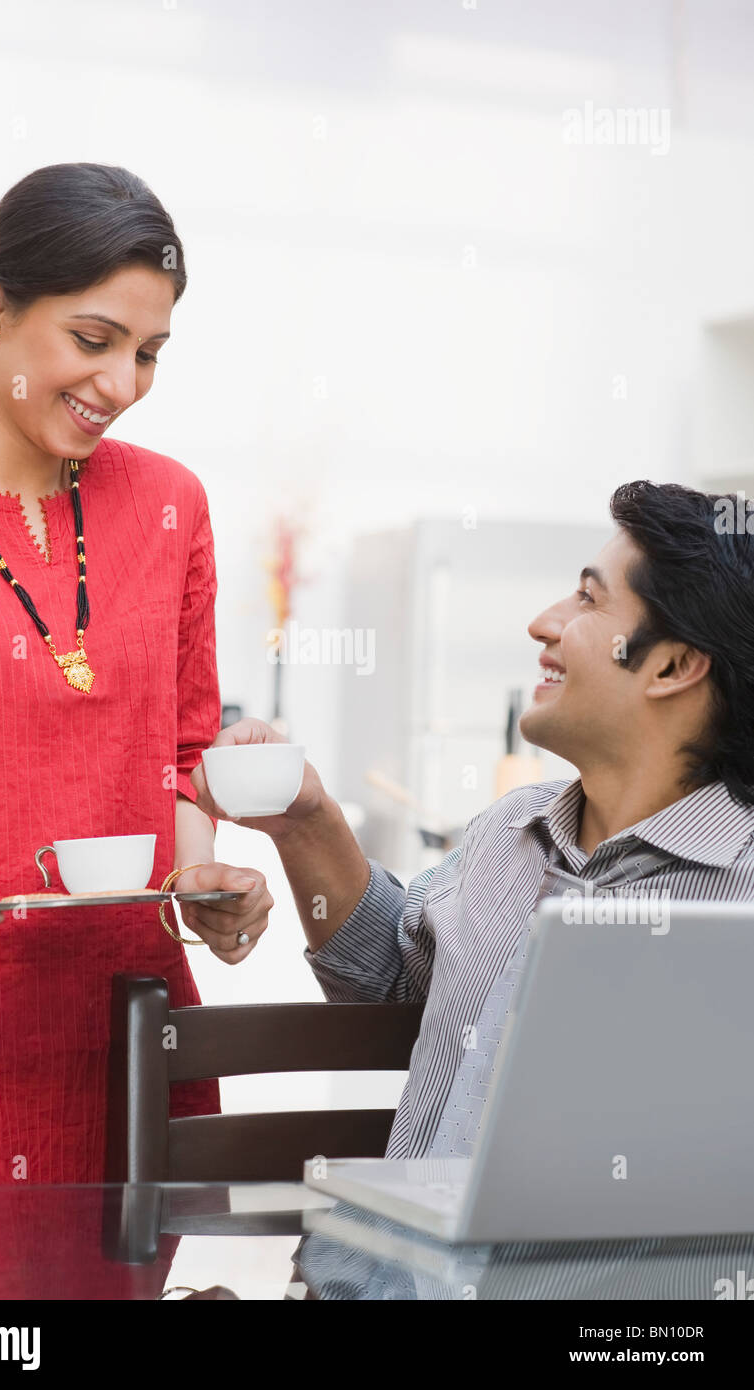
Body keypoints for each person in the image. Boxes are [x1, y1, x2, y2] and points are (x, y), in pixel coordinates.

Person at [190, 478, 754, 1298]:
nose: (544, 622)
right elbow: (392, 974)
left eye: (587, 601)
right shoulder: (511, 831)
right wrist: (306, 820)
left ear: (670, 665)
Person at [0, 163, 272, 1292]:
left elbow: (183, 752)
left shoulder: (171, 506)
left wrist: (205, 881)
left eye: (148, 353)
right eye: (94, 339)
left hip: (120, 1058)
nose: (122, 383)